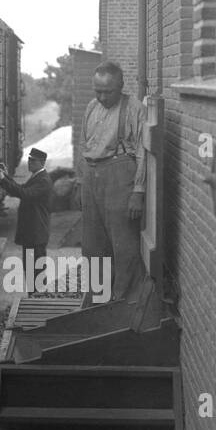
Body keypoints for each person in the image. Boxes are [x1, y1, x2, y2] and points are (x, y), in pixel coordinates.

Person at [80, 61, 146, 301]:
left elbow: (141, 152)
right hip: (92, 176)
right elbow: (85, 144)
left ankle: (121, 302)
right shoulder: (91, 107)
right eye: (97, 90)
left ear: (120, 86)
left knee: (123, 244)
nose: (102, 96)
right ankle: (96, 300)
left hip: (119, 176)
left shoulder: (134, 109)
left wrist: (138, 192)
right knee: (92, 244)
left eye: (107, 91)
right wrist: (83, 180)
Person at [0, 147, 52, 293]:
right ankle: (34, 297)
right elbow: (21, 188)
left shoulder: (44, 181)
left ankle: (39, 301)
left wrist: (3, 179)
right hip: (31, 233)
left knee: (37, 270)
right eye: (29, 159)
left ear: (42, 162)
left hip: (36, 233)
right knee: (30, 269)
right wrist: (6, 176)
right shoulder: (37, 177)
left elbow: (24, 193)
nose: (29, 162)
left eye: (33, 160)